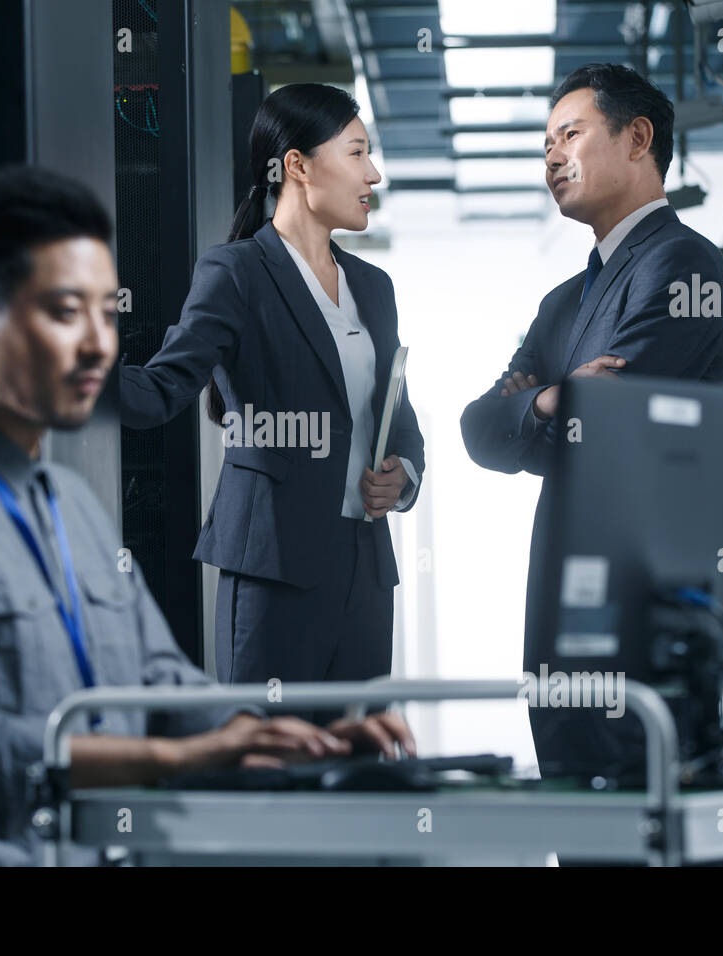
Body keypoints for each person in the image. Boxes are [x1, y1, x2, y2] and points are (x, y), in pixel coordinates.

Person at [0, 165, 415, 866]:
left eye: (107, 314)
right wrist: (171, 756)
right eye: (63, 311)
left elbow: (162, 678)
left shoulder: (70, 504)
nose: (96, 345)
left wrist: (286, 742)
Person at [459, 64, 723, 776]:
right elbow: (478, 431)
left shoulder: (684, 266)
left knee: (647, 823)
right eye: (544, 144)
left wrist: (542, 409)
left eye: (569, 135)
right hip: (566, 603)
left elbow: (612, 424)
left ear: (638, 137)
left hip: (645, 611)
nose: (551, 156)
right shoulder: (563, 301)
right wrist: (550, 398)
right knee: (579, 815)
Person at [120, 84, 425, 720]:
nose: (373, 174)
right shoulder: (236, 273)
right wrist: (70, 363)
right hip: (274, 570)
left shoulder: (375, 286)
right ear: (297, 165)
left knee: (359, 766)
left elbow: (399, 418)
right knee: (267, 765)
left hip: (365, 574)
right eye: (358, 152)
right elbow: (158, 391)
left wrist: (404, 475)